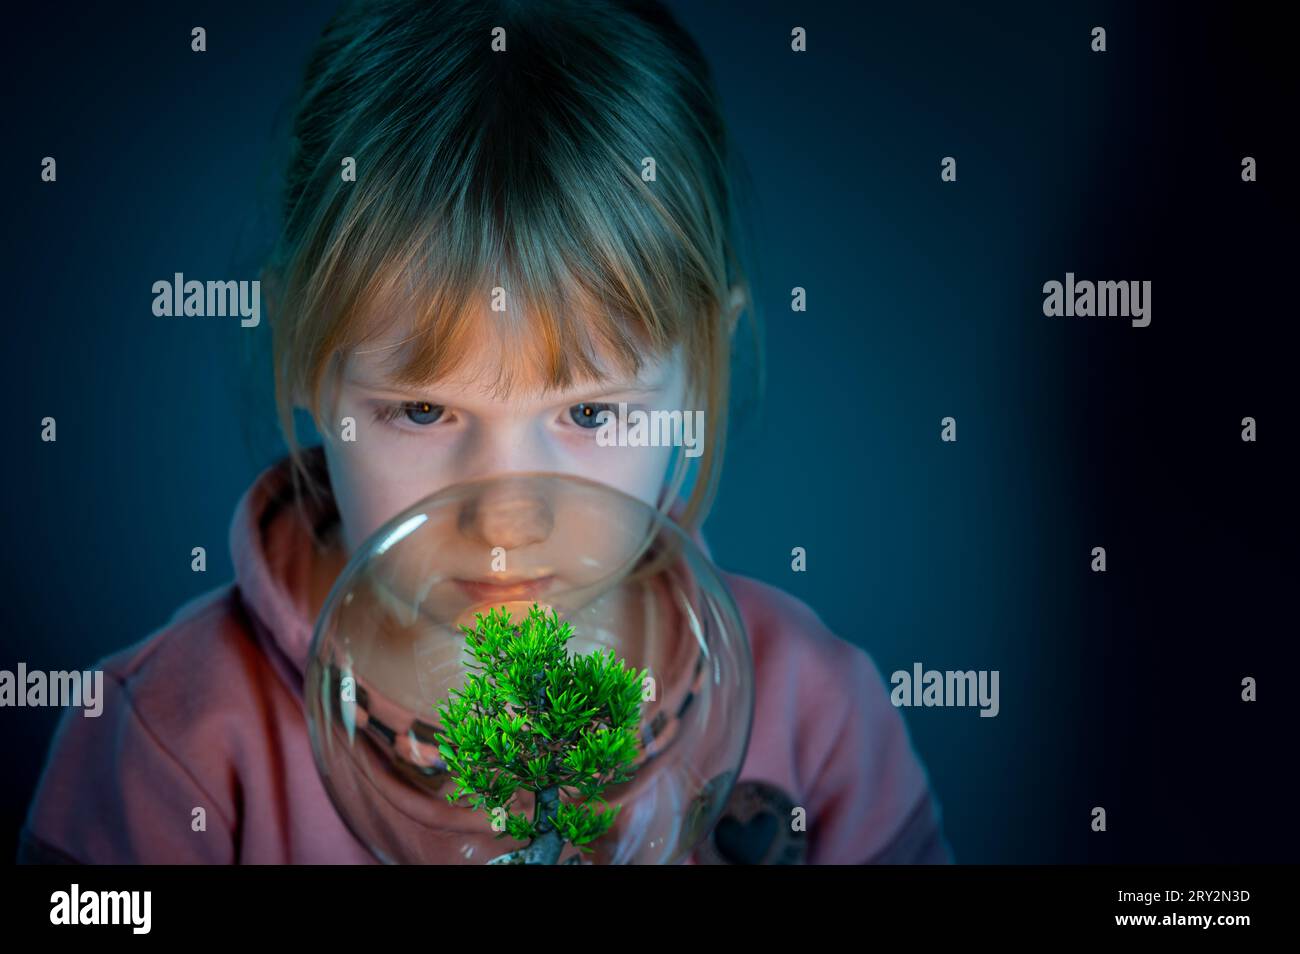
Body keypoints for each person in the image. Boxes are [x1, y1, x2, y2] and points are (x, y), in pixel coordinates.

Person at [20, 0, 950, 864]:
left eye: (589, 412)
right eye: (423, 410)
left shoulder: (817, 718)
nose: (507, 518)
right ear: (303, 357)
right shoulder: (169, 743)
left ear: (703, 369)